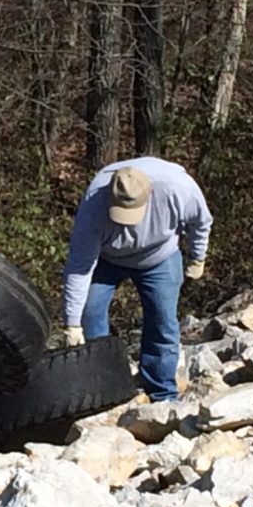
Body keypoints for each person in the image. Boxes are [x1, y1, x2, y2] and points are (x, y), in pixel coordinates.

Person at [62, 157, 212, 402]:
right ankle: (104, 387)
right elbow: (79, 268)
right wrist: (72, 324)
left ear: (150, 192)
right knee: (90, 312)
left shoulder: (178, 188)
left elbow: (200, 222)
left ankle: (162, 391)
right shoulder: (94, 205)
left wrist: (198, 257)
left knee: (163, 320)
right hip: (107, 258)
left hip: (160, 255)